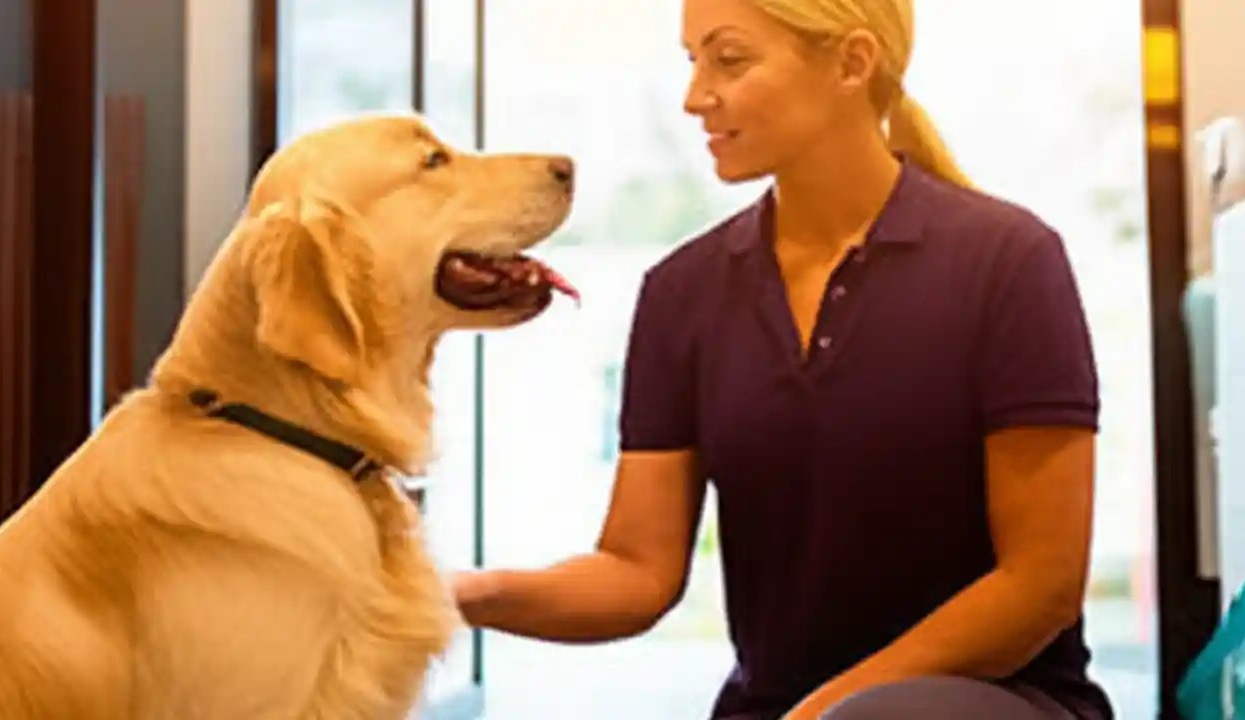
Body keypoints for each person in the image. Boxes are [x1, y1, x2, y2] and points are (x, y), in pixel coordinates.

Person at [451, 0, 1115, 717]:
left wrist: (833, 706)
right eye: (693, 60)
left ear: (852, 63)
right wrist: (454, 596)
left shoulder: (1008, 262)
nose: (695, 95)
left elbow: (1040, 583)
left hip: (1004, 700)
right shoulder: (683, 292)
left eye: (729, 60)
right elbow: (636, 571)